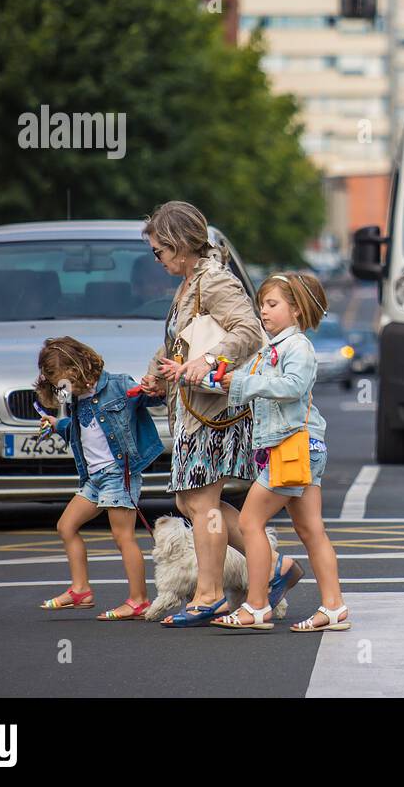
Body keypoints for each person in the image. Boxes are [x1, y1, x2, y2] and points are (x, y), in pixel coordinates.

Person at [139, 201, 266, 627]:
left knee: (201, 502)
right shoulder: (192, 282)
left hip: (213, 412)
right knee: (191, 500)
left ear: (178, 244)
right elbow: (182, 340)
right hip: (198, 409)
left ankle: (209, 593)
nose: (157, 259)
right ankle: (272, 566)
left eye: (159, 251)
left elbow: (249, 331)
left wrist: (209, 361)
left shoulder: (212, 280)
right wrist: (154, 375)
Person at [212, 271, 350, 632]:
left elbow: (291, 387)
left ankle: (257, 607)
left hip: (292, 446)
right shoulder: (272, 348)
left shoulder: (297, 347)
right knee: (310, 529)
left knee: (249, 521)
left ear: (298, 310)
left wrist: (241, 382)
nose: (264, 312)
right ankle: (333, 608)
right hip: (301, 446)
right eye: (262, 305)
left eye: (272, 304)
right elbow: (252, 380)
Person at [36, 337, 163, 620]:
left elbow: (152, 398)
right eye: (59, 385)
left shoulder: (118, 385)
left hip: (119, 473)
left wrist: (153, 387)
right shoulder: (76, 398)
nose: (64, 389)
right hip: (94, 477)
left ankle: (139, 600)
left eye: (66, 382)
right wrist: (57, 424)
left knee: (123, 537)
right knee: (66, 526)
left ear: (81, 366)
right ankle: (81, 589)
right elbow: (84, 428)